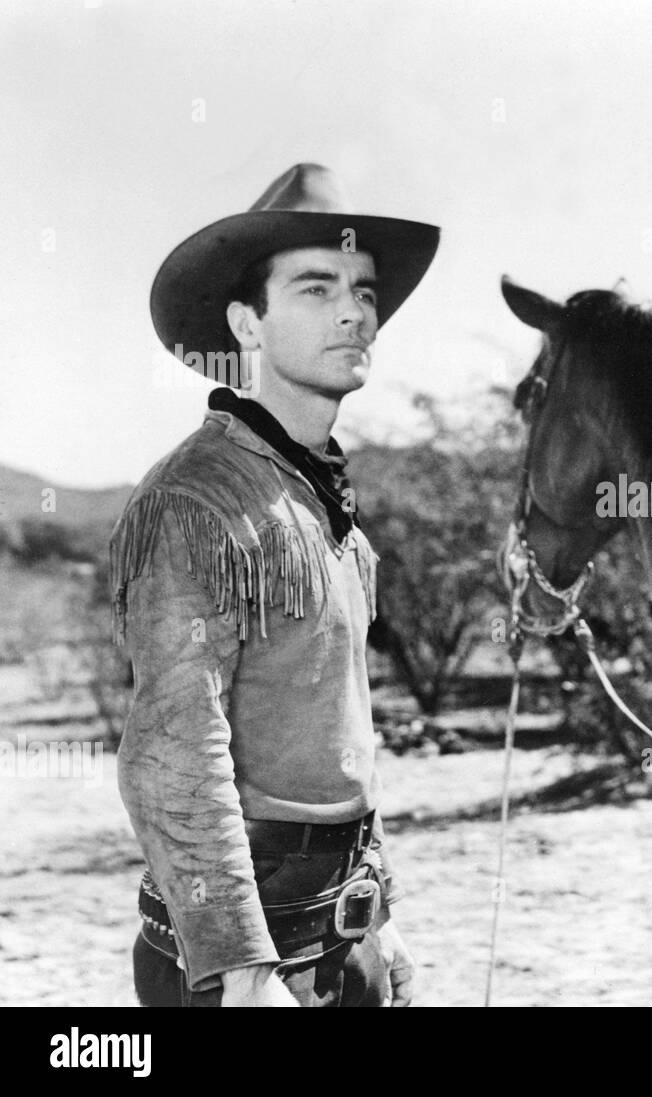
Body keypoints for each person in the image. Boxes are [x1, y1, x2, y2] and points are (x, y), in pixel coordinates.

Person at [110, 163, 439, 1006]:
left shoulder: (320, 493)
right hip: (242, 963)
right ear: (245, 323)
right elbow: (173, 752)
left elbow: (335, 736)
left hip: (344, 928)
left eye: (365, 291)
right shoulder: (197, 499)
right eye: (316, 287)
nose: (353, 311)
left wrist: (380, 911)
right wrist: (244, 971)